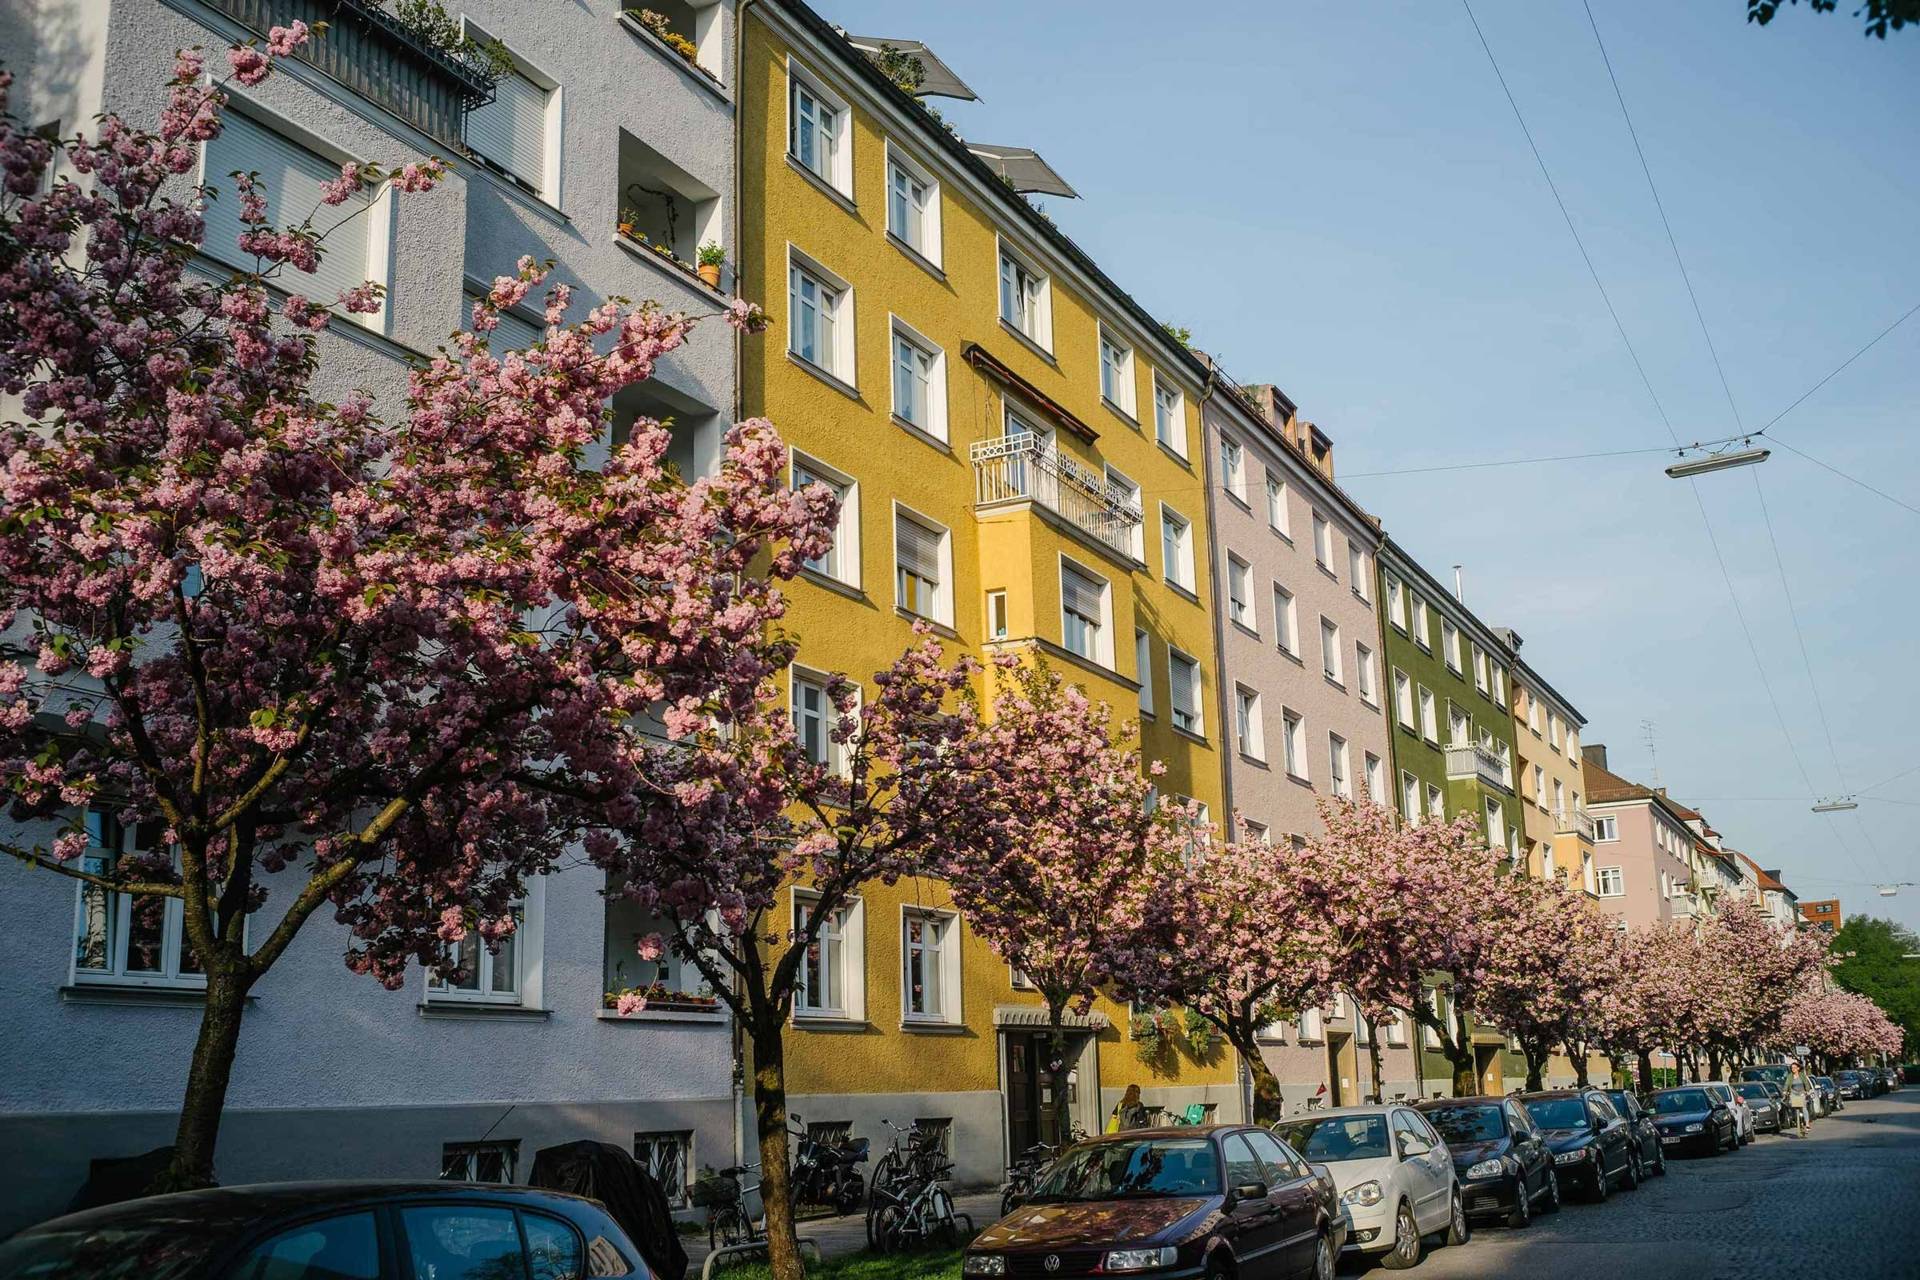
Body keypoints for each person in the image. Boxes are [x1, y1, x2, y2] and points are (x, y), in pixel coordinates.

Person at [1786, 1062, 1811, 1137]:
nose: (1793, 1069)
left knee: (1803, 1107)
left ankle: (1807, 1123)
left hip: (1801, 1093)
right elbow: (1786, 1084)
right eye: (1792, 1068)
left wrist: (1807, 1091)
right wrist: (1785, 1091)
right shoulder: (1790, 1076)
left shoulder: (1802, 1075)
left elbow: (1806, 1084)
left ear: (1798, 1068)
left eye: (1794, 1067)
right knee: (1791, 1104)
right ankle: (1794, 1119)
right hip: (1793, 1093)